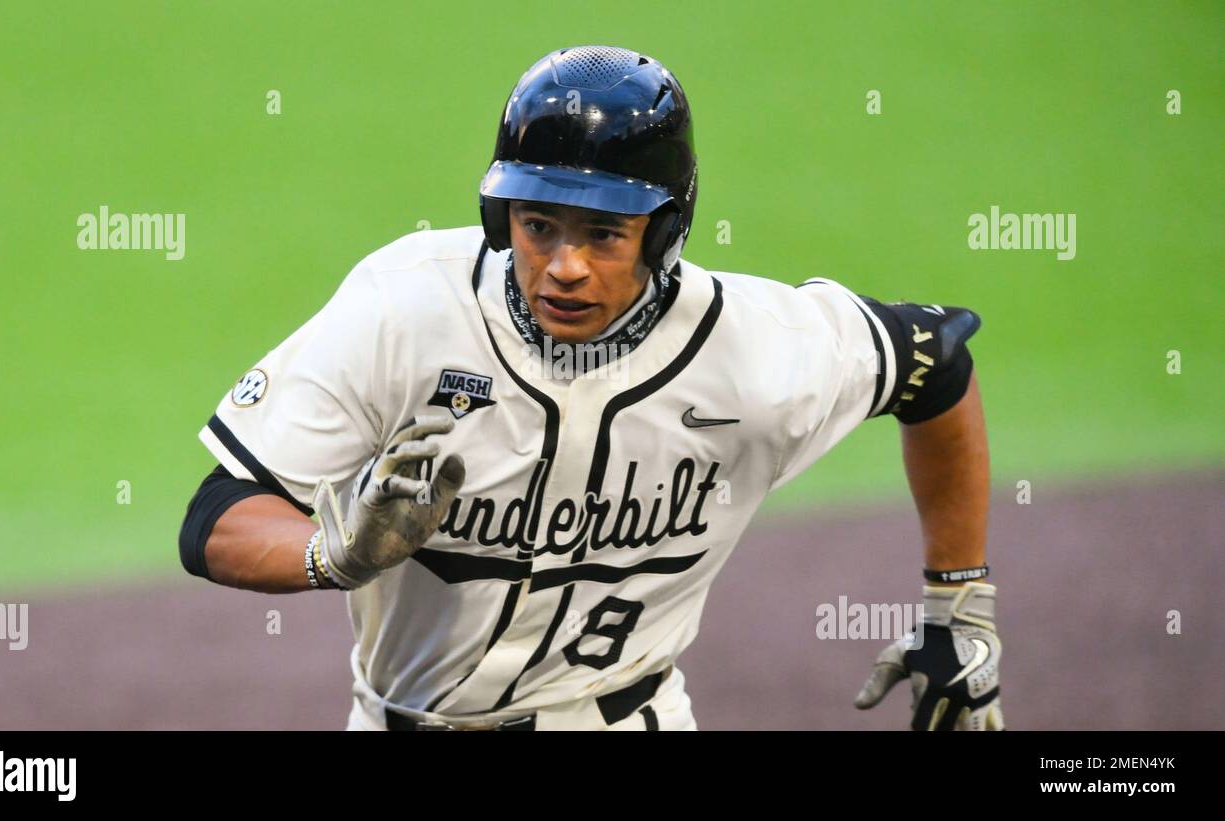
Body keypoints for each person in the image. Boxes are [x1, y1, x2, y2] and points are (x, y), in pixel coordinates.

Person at [178, 45, 1003, 731]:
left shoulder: (758, 351)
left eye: (604, 233)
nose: (565, 265)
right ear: (504, 218)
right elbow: (215, 517)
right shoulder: (405, 309)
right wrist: (332, 553)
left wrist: (957, 603)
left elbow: (937, 363)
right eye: (539, 226)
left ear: (666, 230)